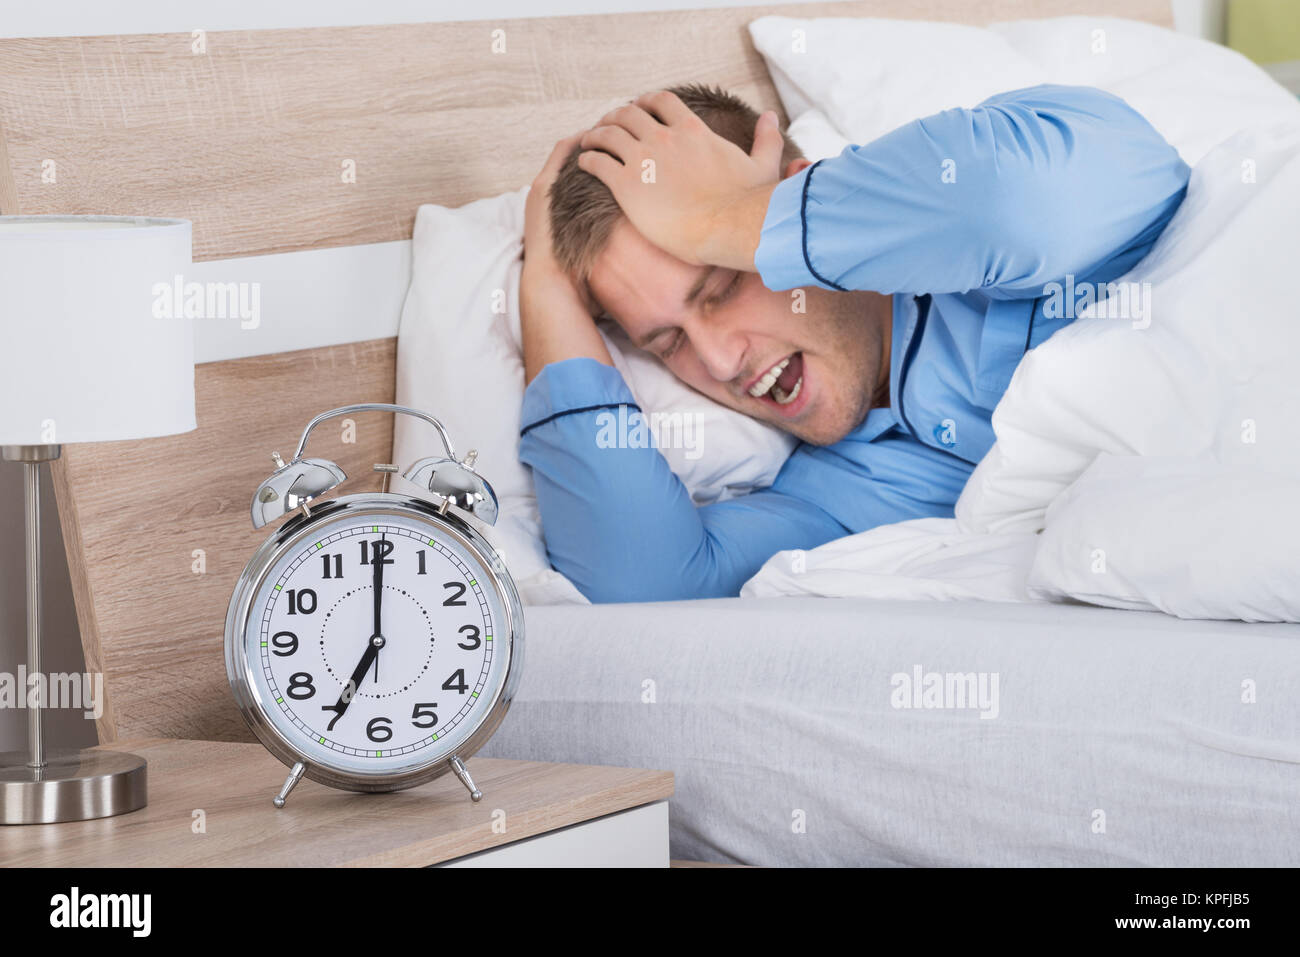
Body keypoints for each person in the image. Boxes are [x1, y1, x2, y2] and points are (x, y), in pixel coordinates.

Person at [518, 83, 1190, 602]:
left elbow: (1013, 209)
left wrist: (726, 217)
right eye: (667, 343)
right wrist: (547, 295)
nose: (721, 361)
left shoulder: (1073, 150)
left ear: (795, 186)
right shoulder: (834, 490)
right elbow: (648, 583)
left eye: (721, 282)